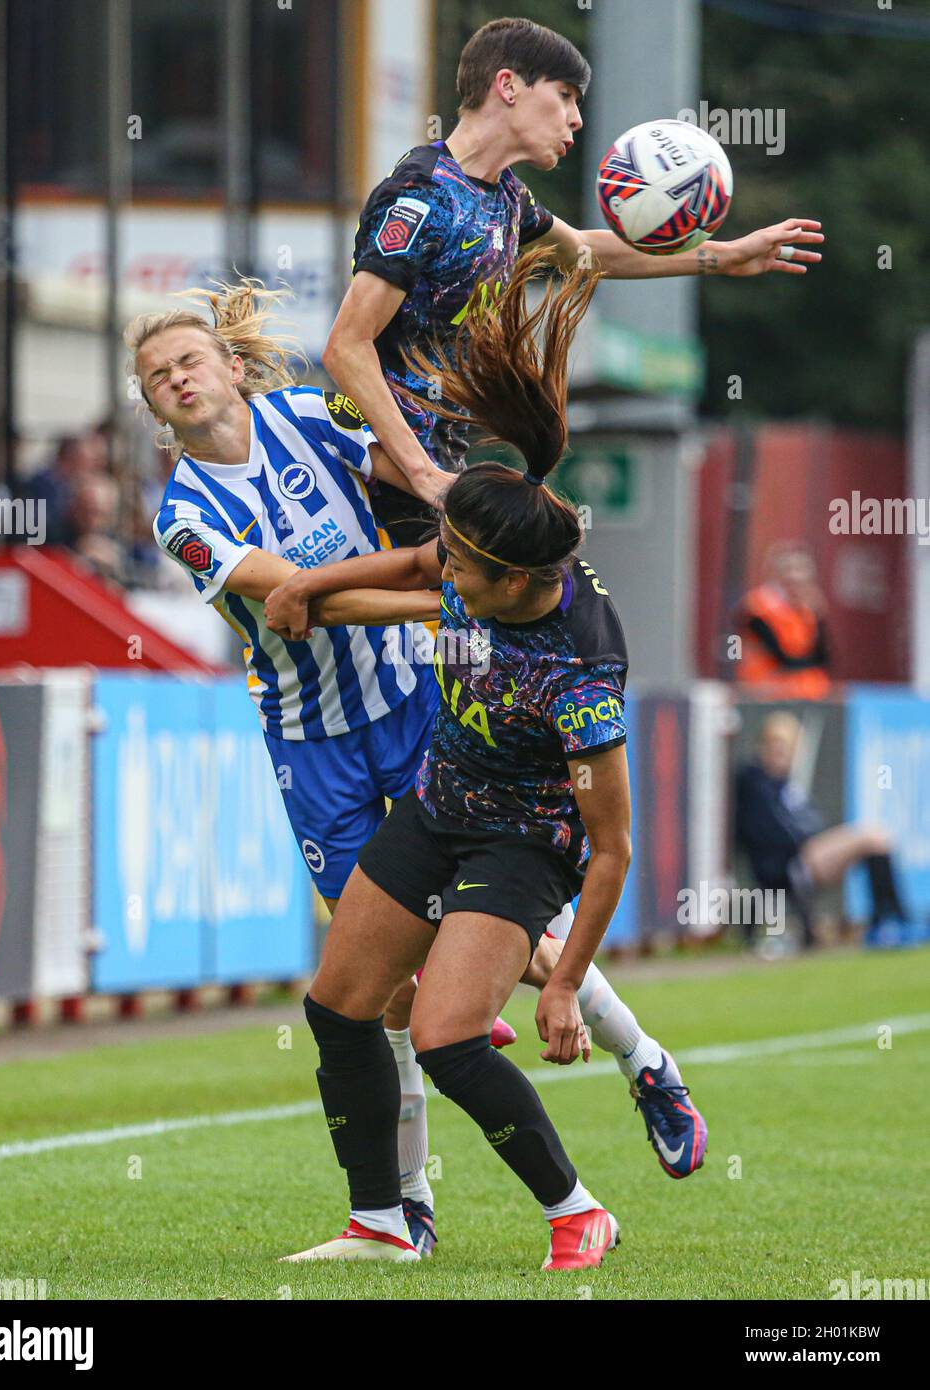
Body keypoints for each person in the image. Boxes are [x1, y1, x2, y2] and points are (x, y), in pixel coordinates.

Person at [275, 251, 706, 1272]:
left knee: (447, 1034)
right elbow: (426, 562)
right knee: (335, 1006)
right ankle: (384, 1222)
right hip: (437, 802)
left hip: (527, 842)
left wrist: (560, 991)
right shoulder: (481, 547)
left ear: (516, 582)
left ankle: (575, 1210)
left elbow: (612, 852)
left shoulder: (582, 674)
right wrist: (312, 583)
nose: (449, 573)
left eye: (469, 570)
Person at [325, 15, 824, 538]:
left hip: (439, 472)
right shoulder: (422, 194)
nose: (576, 119)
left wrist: (723, 256)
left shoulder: (506, 197)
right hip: (381, 480)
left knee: (549, 603)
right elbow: (347, 345)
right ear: (508, 86)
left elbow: (584, 251)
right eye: (565, 95)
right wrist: (423, 474)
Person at [735, 713, 923, 949]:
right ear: (763, 747)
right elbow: (774, 834)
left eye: (787, 749)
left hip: (809, 854)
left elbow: (810, 821)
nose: (782, 756)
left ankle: (888, 919)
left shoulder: (788, 788)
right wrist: (808, 839)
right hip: (788, 864)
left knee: (877, 837)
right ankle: (889, 923)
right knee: (871, 837)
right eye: (776, 748)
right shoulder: (755, 783)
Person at [734, 542, 832, 698]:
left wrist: (818, 618)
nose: (797, 576)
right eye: (790, 569)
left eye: (802, 569)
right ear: (775, 572)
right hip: (766, 694)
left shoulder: (808, 609)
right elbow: (783, 659)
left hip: (808, 694)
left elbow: (824, 657)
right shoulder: (757, 607)